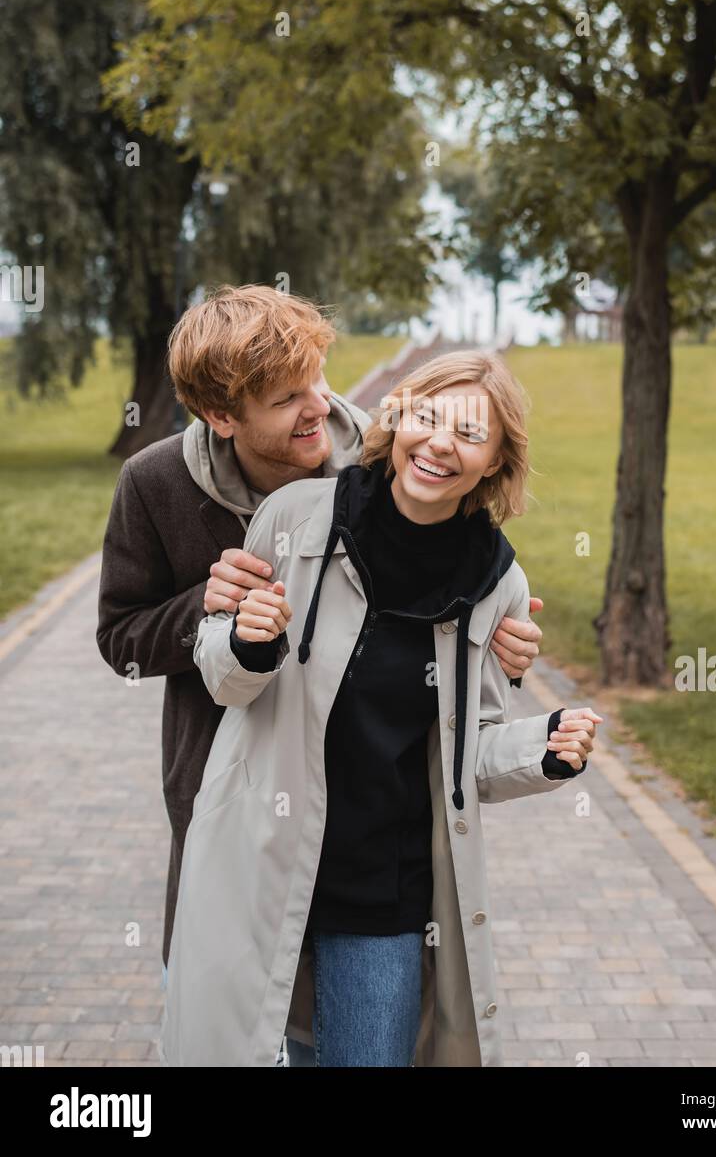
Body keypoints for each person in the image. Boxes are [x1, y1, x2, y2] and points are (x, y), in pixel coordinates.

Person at [96, 284, 546, 988]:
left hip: (360, 812)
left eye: (316, 380)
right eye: (285, 399)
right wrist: (199, 611)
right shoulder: (153, 483)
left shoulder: (378, 458)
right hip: (220, 799)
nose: (318, 407)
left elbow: (453, 579)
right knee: (217, 1010)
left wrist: (494, 641)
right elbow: (120, 639)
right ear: (221, 415)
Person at [161, 349, 601, 1067]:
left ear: (494, 461)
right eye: (424, 418)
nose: (437, 443)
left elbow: (471, 758)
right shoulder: (294, 518)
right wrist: (244, 642)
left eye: (467, 433)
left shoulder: (497, 584)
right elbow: (224, 680)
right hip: (260, 863)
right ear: (396, 421)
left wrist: (543, 750)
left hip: (385, 895)